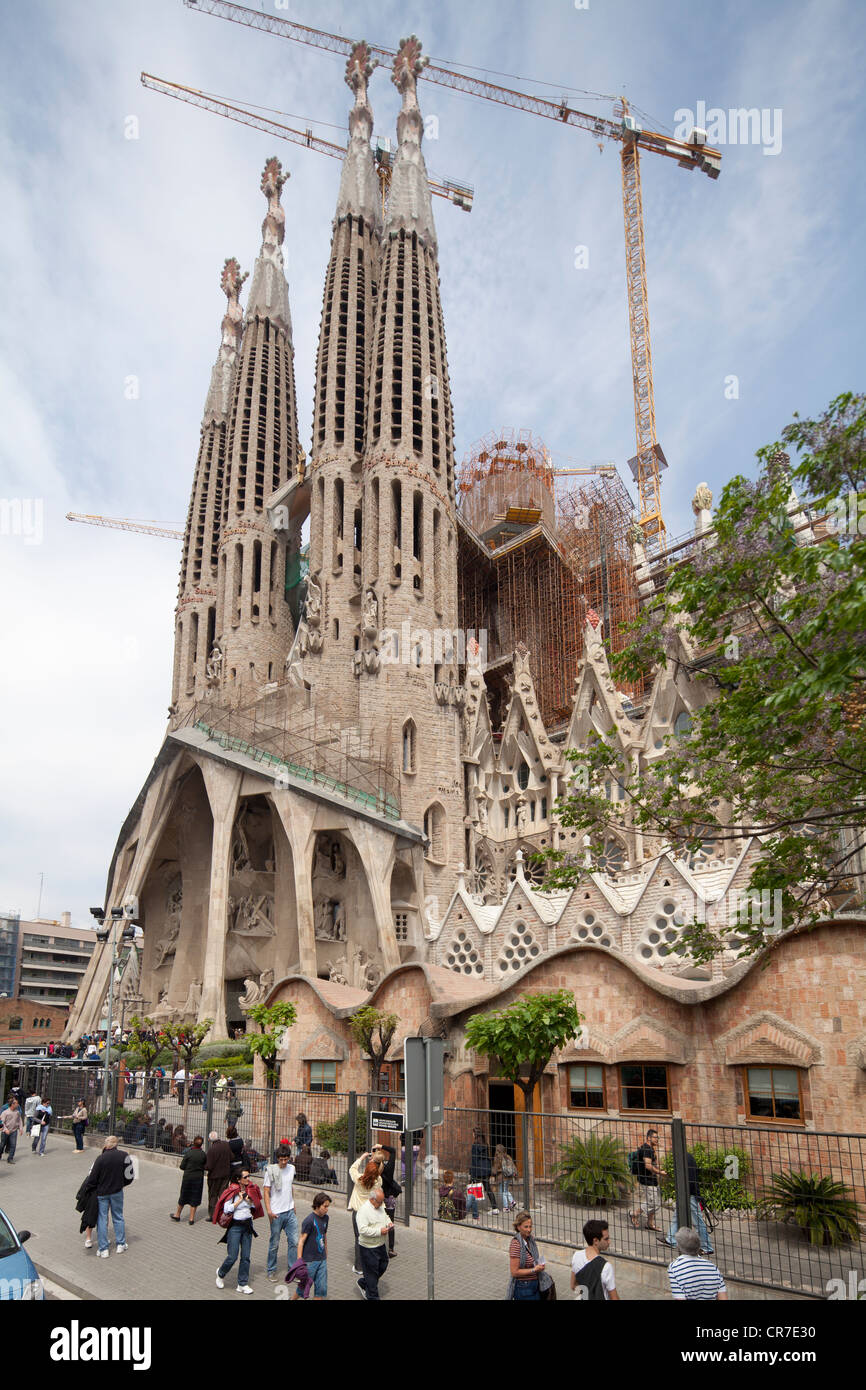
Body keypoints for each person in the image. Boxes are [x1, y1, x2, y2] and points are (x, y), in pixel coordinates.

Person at [214, 1169, 263, 1294]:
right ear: (238, 1179)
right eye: (246, 1177)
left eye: (249, 1176)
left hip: (247, 1226)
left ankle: (242, 1284)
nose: (248, 1178)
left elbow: (255, 1206)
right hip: (235, 1227)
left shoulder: (250, 1189)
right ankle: (221, 1273)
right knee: (232, 1256)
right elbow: (227, 1209)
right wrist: (239, 1201)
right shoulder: (232, 1191)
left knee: (246, 1257)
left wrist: (249, 1201)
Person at [87, 1135, 135, 1256]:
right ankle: (120, 1244)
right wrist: (121, 1184)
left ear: (106, 1145)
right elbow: (130, 1176)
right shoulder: (124, 1155)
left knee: (102, 1219)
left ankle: (103, 1249)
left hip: (102, 1193)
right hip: (117, 1191)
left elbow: (92, 1179)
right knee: (118, 1216)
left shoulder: (100, 1158)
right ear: (116, 1144)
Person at [660, 1151, 713, 1254]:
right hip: (685, 1193)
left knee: (698, 1222)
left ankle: (707, 1247)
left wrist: (689, 1194)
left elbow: (691, 1179)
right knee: (677, 1216)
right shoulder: (686, 1157)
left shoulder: (685, 1159)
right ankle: (671, 1239)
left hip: (689, 1194)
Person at [264, 1145, 298, 1282]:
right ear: (277, 1158)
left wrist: (293, 1203)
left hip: (290, 1211)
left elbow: (290, 1187)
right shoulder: (270, 1171)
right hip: (276, 1213)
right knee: (274, 1244)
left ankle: (292, 1270)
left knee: (294, 1242)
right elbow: (266, 1191)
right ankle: (271, 1270)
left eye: (286, 1159)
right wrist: (269, 1211)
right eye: (281, 1159)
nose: (284, 1162)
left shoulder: (292, 1169)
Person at [667, 1226, 728, 1300]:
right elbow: (723, 1297)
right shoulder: (713, 1268)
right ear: (699, 1246)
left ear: (678, 1246)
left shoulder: (674, 1268)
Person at [348, 1150, 384, 1274]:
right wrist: (377, 1162)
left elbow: (352, 1168)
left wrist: (362, 1157)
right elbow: (378, 1175)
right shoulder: (378, 1182)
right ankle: (370, 1264)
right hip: (370, 1213)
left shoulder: (359, 1180)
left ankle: (359, 1267)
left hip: (358, 1213)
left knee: (358, 1238)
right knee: (369, 1238)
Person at [293, 1192, 331, 1300]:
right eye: (325, 1206)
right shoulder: (309, 1221)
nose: (327, 1209)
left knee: (321, 1289)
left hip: (321, 1259)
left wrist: (326, 1251)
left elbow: (324, 1235)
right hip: (310, 1261)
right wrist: (300, 1261)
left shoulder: (326, 1218)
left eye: (328, 1206)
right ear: (317, 1205)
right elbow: (301, 1241)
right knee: (303, 1288)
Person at [355, 1188, 392, 1300]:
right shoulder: (364, 1211)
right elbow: (362, 1230)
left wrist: (389, 1222)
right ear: (372, 1200)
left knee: (383, 1264)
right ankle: (372, 1295)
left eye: (382, 1202)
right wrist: (379, 1231)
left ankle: (364, 1282)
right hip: (368, 1247)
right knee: (371, 1272)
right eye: (379, 1202)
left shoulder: (380, 1206)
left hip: (380, 1244)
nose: (381, 1204)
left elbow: (385, 1216)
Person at [571, 1218, 619, 1301]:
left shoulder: (576, 1256)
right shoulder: (606, 1267)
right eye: (606, 1239)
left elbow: (573, 1286)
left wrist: (587, 1295)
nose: (609, 1242)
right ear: (596, 1241)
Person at [507, 1211, 549, 1301]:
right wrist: (534, 1269)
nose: (529, 1230)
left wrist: (539, 1265)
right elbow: (514, 1272)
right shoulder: (516, 1244)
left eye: (530, 1226)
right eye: (526, 1227)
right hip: (524, 1288)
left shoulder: (530, 1240)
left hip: (534, 1285)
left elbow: (533, 1259)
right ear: (518, 1227)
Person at [630, 1127, 661, 1231]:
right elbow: (648, 1166)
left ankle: (650, 1224)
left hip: (652, 1179)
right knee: (653, 1203)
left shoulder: (651, 1149)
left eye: (658, 1138)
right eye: (655, 1138)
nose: (657, 1140)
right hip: (647, 1180)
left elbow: (653, 1164)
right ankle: (635, 1213)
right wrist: (660, 1172)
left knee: (653, 1201)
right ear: (649, 1138)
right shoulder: (646, 1149)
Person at [172, 1135, 206, 1224]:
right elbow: (205, 1166)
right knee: (195, 1197)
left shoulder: (189, 1153)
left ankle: (177, 1215)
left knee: (184, 1195)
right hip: (198, 1178)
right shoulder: (203, 1154)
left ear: (193, 1143)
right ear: (201, 1144)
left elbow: (182, 1166)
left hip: (188, 1177)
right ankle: (191, 1219)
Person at [468, 1128, 498, 1219]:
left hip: (478, 1169)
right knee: (488, 1188)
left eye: (473, 1133)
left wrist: (472, 1173)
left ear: (475, 1134)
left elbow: (474, 1160)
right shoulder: (486, 1144)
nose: (472, 1135)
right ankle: (495, 1207)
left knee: (474, 1189)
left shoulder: (475, 1145)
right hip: (486, 1169)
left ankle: (474, 1210)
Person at [379, 1143, 401, 1258]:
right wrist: (382, 1146)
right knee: (390, 1222)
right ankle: (391, 1249)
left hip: (379, 1198)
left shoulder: (375, 1169)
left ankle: (379, 1245)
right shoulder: (389, 1169)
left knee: (378, 1221)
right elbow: (393, 1151)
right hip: (390, 1198)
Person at [205, 1130, 233, 1219]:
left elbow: (209, 1166)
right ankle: (224, 1213)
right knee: (223, 1194)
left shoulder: (211, 1150)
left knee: (213, 1195)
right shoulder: (226, 1145)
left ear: (210, 1139)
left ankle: (213, 1215)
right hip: (225, 1174)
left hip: (214, 1176)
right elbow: (232, 1157)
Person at [75, 1168, 99, 1250]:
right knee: (100, 1215)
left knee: (90, 1214)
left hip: (92, 1191)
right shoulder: (101, 1161)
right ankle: (96, 1238)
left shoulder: (98, 1160)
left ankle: (89, 1239)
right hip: (96, 1191)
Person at [492, 1143, 518, 1211]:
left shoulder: (497, 1158)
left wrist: (493, 1172)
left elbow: (495, 1170)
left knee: (502, 1192)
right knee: (506, 1190)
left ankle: (506, 1207)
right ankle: (512, 1202)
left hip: (501, 1178)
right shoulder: (508, 1156)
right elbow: (513, 1165)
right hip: (509, 1176)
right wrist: (515, 1174)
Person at [0, 1098, 24, 1163]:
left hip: (14, 1131)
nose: (18, 1104)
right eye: (16, 1103)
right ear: (12, 1104)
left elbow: (20, 1121)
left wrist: (21, 1129)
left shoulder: (17, 1112)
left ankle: (10, 1158)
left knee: (13, 1145)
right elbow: (1, 1122)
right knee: (2, 1144)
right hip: (5, 1131)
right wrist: (5, 1130)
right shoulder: (5, 1112)